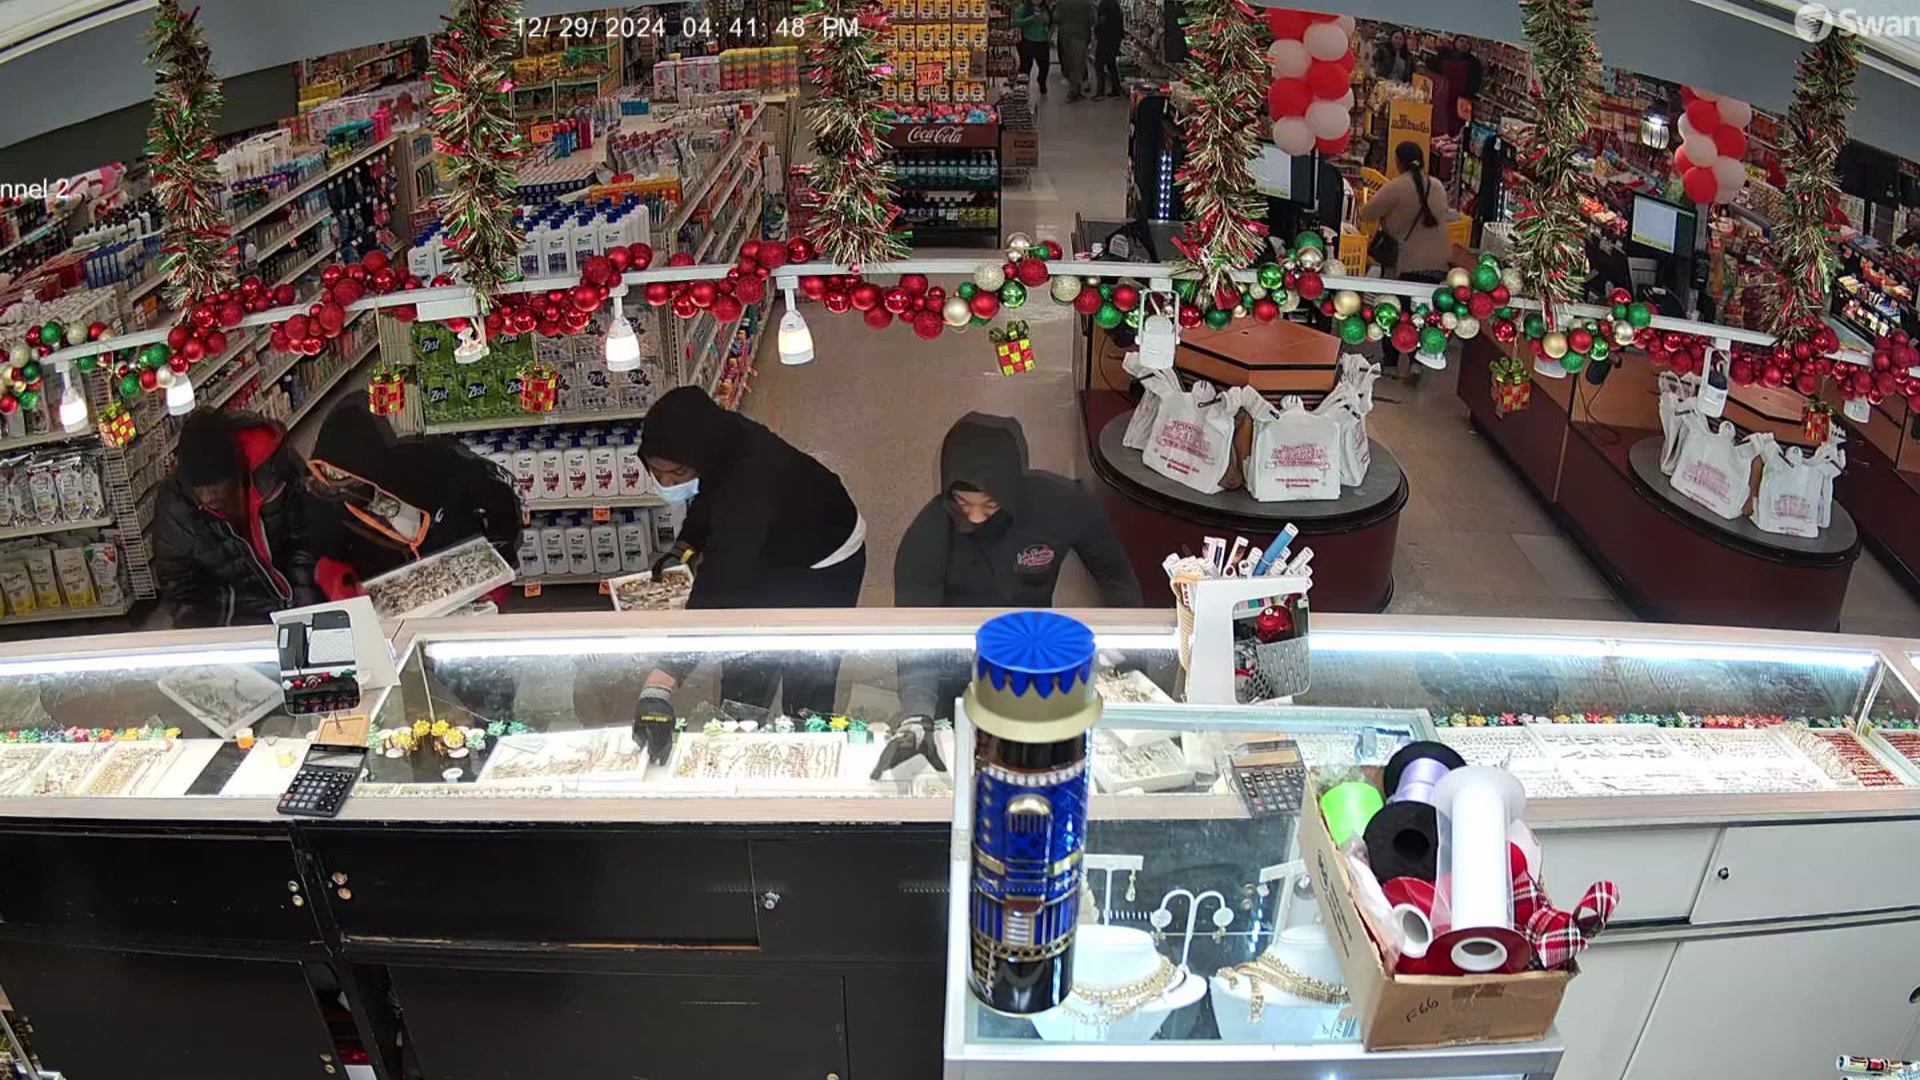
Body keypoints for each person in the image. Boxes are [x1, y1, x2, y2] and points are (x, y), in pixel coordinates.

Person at [632, 387, 866, 755]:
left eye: (678, 473)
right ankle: (740, 732)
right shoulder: (717, 440)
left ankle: (808, 744)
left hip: (824, 559)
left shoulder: (752, 478)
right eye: (658, 471)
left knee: (808, 670)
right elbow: (710, 497)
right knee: (745, 668)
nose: (669, 483)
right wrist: (684, 547)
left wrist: (663, 679)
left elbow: (721, 584)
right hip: (769, 542)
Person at [892, 414, 1141, 722]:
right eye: (964, 503)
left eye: (989, 505)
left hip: (1037, 657)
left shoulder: (1061, 505)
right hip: (958, 667)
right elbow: (914, 630)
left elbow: (1116, 576)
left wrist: (1125, 650)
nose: (976, 517)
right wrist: (917, 715)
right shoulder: (930, 531)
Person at [304, 401, 522, 598]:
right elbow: (323, 554)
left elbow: (495, 492)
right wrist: (339, 583)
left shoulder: (427, 464)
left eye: (345, 475)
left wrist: (500, 552)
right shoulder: (334, 507)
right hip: (403, 609)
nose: (339, 483)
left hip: (470, 587)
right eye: (328, 475)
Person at [152, 409, 320, 627]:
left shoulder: (275, 469)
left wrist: (305, 605)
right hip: (234, 618)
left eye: (216, 486)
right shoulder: (176, 507)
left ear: (235, 473)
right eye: (200, 490)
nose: (209, 497)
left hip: (296, 596)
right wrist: (215, 636)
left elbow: (304, 540)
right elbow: (179, 587)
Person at [1359, 141, 1456, 374]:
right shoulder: (1437, 186)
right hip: (1437, 263)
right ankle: (1417, 362)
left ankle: (1391, 362)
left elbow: (1366, 214)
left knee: (1393, 311)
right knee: (1422, 311)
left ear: (1398, 163)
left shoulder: (1395, 187)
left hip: (1404, 263)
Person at [1054, 0, 1094, 101]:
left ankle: (1075, 90)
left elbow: (1056, 18)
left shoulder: (1061, 2)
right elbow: (1092, 19)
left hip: (1066, 34)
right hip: (1081, 35)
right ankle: (1075, 91)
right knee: (1078, 63)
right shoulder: (1087, 2)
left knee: (1070, 63)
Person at [1013, 0, 1052, 96]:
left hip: (1043, 41)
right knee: (1026, 67)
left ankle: (1041, 81)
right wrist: (1031, 18)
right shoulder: (1023, 8)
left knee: (1044, 66)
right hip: (1027, 41)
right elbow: (1017, 22)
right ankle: (1022, 90)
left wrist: (1049, 30)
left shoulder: (1046, 8)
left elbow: (1051, 22)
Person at [1092, 0, 1124, 99]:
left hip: (1105, 37)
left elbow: (1101, 21)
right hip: (1115, 38)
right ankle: (1116, 89)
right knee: (1111, 63)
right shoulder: (1116, 5)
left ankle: (1100, 91)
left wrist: (1096, 30)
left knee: (1099, 64)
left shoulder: (1103, 5)